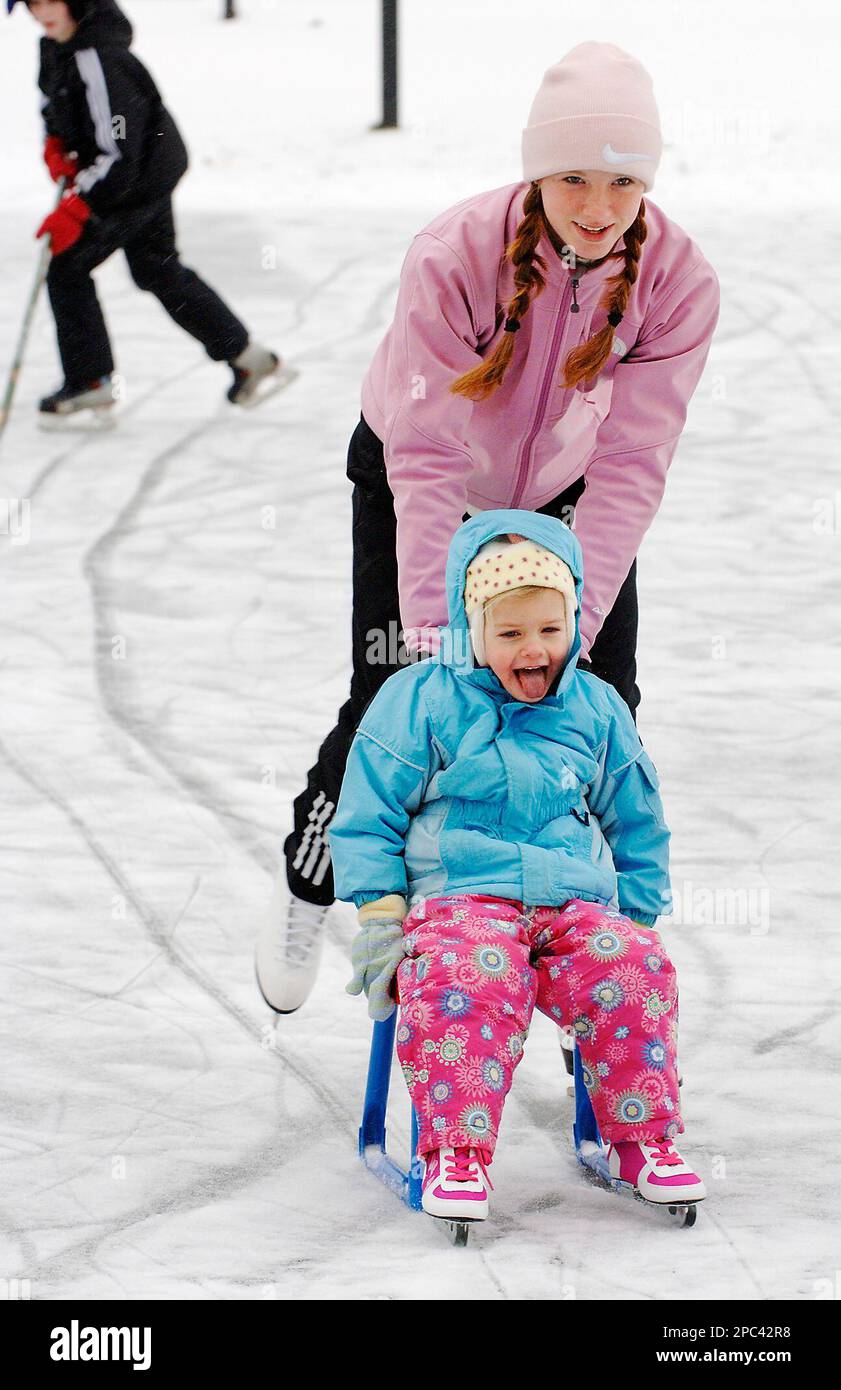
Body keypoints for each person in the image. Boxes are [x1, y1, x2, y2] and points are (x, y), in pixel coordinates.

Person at [255, 41, 719, 1014]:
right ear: (535, 173)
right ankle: (311, 878)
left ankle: (579, 938)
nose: (597, 205)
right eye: (573, 179)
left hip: (560, 504)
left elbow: (633, 464)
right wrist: (436, 644)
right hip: (415, 480)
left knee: (598, 703)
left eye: (623, 181)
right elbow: (423, 455)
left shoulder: (674, 282)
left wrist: (569, 638)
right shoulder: (454, 255)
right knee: (393, 697)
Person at [328, 508, 706, 1224]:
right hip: (459, 898)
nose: (533, 649)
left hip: (573, 898)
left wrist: (636, 914)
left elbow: (636, 814)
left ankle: (640, 1137)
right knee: (467, 978)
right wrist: (380, 914)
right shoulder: (420, 701)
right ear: (471, 631)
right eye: (508, 634)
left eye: (549, 630)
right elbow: (368, 812)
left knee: (632, 967)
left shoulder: (594, 707)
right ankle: (454, 1150)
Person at [10, 0, 280, 418]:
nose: (41, 13)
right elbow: (54, 103)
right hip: (146, 171)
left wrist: (76, 206)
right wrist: (55, 144)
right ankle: (248, 357)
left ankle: (90, 382)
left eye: (51, 1)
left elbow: (119, 150)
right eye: (33, 3)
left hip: (135, 180)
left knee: (67, 267)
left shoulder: (100, 58)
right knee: (156, 268)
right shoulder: (55, 47)